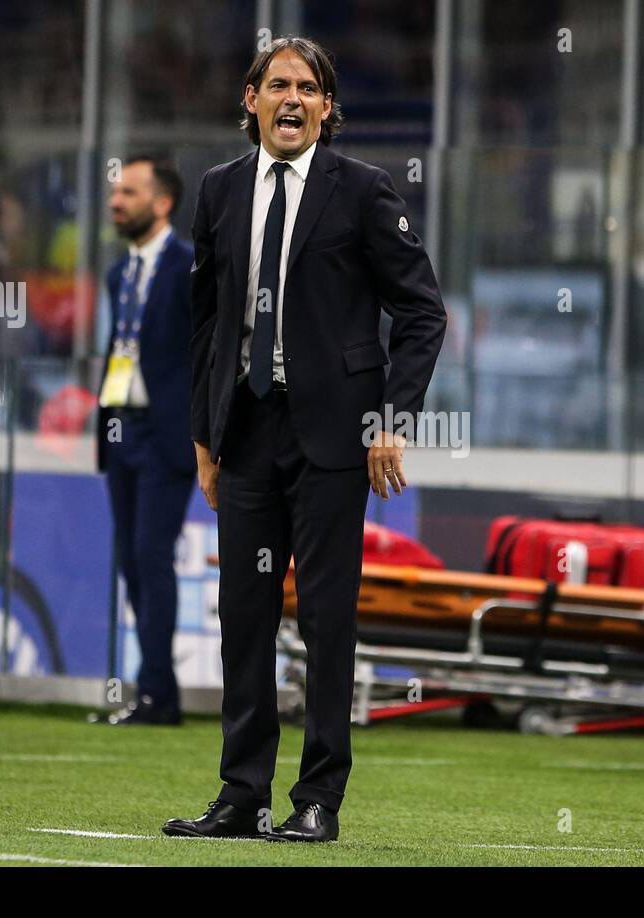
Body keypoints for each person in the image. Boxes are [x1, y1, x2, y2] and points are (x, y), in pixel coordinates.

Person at [162, 36, 446, 842]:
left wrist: (391, 418)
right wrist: (203, 438)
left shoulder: (362, 190)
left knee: (326, 619)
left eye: (309, 89)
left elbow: (423, 311)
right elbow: (207, 322)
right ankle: (240, 793)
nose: (293, 100)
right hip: (247, 432)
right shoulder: (218, 191)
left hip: (334, 439)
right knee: (242, 616)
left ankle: (317, 799)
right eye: (277, 85)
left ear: (328, 108)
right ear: (248, 100)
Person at [89, 154, 197, 726]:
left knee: (154, 558)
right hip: (120, 428)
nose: (116, 202)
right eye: (115, 192)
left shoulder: (189, 267)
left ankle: (158, 696)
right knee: (132, 560)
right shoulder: (119, 273)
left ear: (162, 203)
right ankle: (154, 687)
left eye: (128, 192)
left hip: (166, 436)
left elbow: (202, 354)